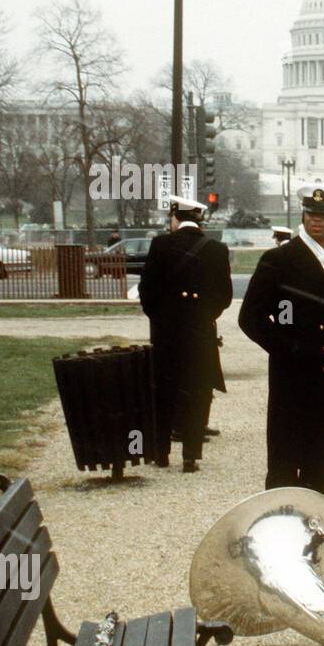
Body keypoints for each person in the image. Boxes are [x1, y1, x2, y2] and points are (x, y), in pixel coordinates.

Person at [238, 185, 324, 494]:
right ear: (303, 216)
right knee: (285, 464)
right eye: (311, 214)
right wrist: (288, 347)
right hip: (293, 378)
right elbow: (250, 317)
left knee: (323, 463)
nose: (317, 221)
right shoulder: (279, 259)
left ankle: (315, 530)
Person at [138, 196, 232, 473]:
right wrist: (204, 317)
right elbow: (224, 296)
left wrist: (161, 317)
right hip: (200, 331)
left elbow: (146, 291)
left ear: (175, 217)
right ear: (200, 219)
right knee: (197, 391)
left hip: (166, 332)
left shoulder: (160, 244)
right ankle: (190, 455)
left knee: (163, 390)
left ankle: (162, 453)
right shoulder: (217, 248)